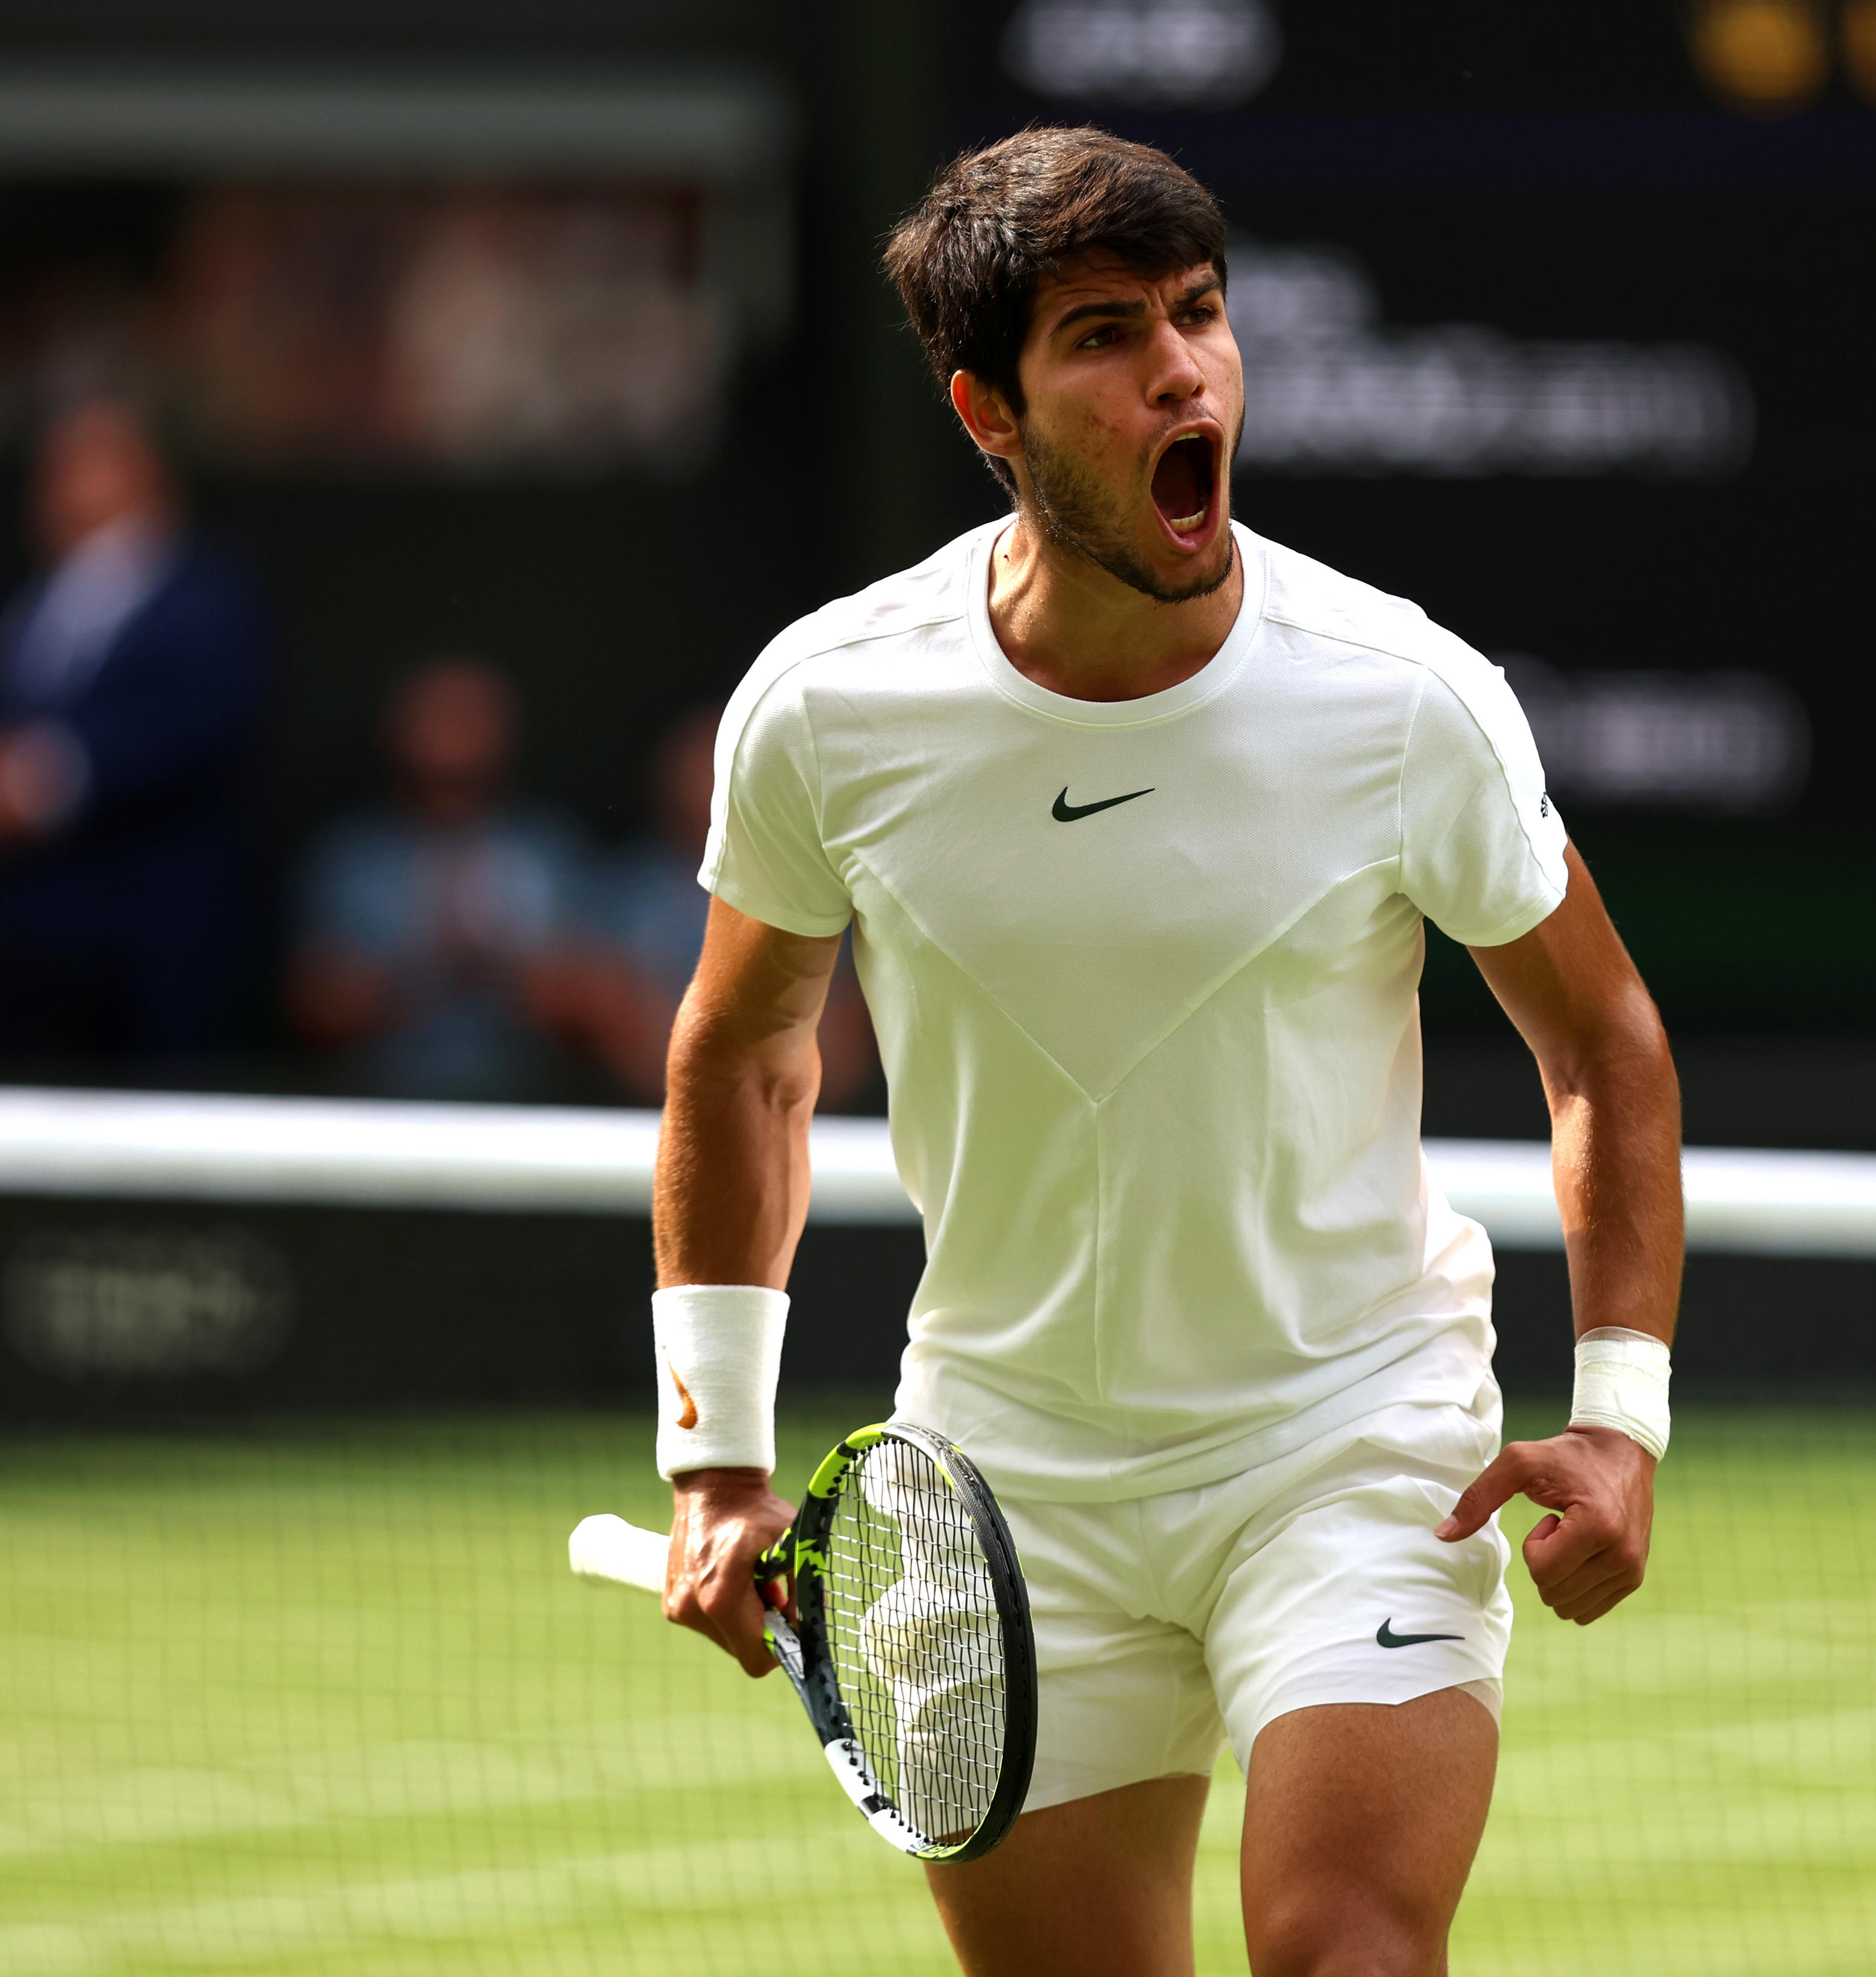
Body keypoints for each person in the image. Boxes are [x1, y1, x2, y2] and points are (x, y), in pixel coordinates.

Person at [655, 128, 1685, 1975]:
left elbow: (1603, 1040)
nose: (1181, 370)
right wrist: (716, 1458)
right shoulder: (824, 711)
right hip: (1007, 1477)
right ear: (991, 409)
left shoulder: (1405, 699)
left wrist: (1620, 1417)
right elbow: (741, 1060)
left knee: (1342, 1949)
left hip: (1351, 1441)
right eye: (1107, 335)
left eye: (1199, 317)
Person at [0, 399, 272, 1059]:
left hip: (162, 930)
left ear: (144, 473)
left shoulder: (209, 593)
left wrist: (47, 779)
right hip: (37, 931)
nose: (56, 487)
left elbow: (199, 717)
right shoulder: (28, 601)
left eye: (81, 466)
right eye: (50, 470)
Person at [285, 655, 588, 1099]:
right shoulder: (350, 858)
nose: (453, 732)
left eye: (471, 714)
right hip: (380, 1113)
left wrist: (494, 963)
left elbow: (601, 1007)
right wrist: (424, 963)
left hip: (525, 1114)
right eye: (437, 713)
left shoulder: (549, 850)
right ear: (396, 728)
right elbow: (313, 1009)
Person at [573, 708, 877, 1107]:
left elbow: (845, 1047)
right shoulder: (621, 892)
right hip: (647, 1122)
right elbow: (603, 1016)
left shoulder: (834, 891)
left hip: (812, 1128)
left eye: (736, 756)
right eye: (703, 760)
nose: (716, 776)